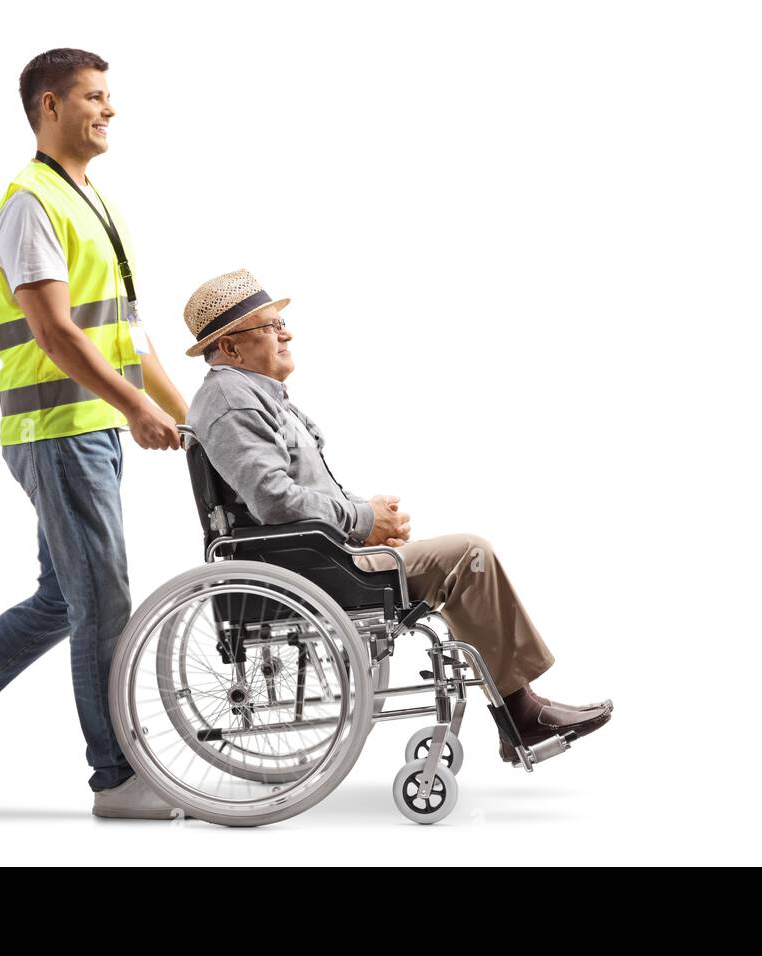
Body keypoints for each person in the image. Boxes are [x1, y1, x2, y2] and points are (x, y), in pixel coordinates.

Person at [0, 48, 190, 820]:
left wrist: (186, 416)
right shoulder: (30, 202)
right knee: (103, 602)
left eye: (111, 97)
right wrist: (133, 407)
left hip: (87, 430)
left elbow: (127, 333)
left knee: (64, 600)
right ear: (49, 106)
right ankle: (117, 779)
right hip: (60, 429)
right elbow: (55, 334)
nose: (110, 109)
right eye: (94, 96)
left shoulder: (92, 201)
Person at [181, 269, 614, 762]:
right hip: (302, 567)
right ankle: (521, 714)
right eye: (271, 325)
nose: (287, 333)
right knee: (470, 555)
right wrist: (363, 520)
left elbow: (295, 491)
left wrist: (367, 521)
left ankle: (520, 711)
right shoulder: (231, 399)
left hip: (318, 554)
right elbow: (274, 500)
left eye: (282, 322)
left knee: (455, 560)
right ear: (232, 349)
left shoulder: (254, 395)